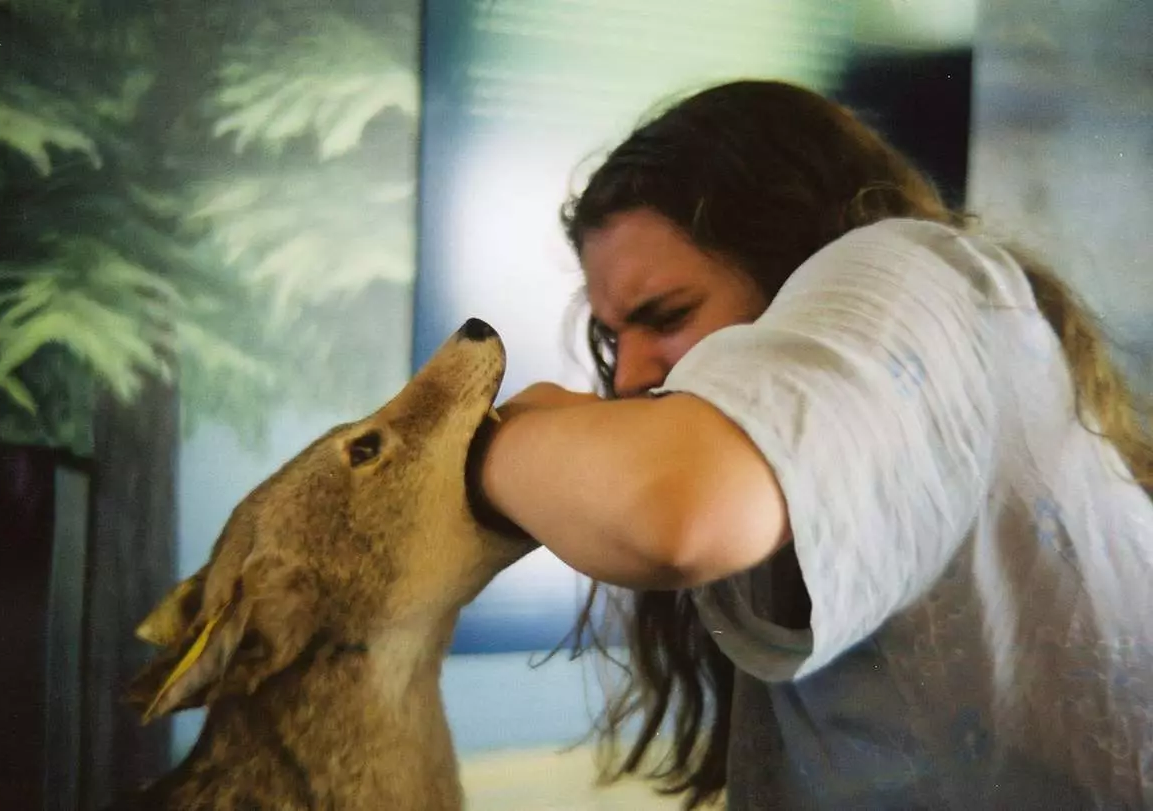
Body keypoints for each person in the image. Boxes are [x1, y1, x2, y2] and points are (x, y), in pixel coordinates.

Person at [468, 79, 1153, 809]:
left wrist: (492, 435)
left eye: (667, 315)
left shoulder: (910, 271)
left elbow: (676, 508)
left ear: (798, 260)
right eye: (612, 338)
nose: (629, 374)